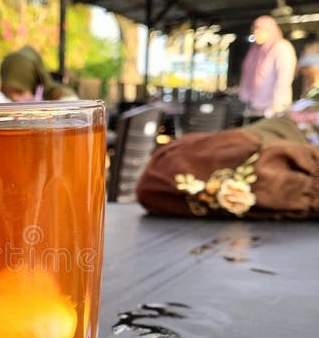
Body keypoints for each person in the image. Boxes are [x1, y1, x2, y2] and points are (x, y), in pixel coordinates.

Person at [134, 39, 319, 220]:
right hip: (260, 140)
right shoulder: (305, 105)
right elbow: (157, 180)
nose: (309, 78)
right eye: (308, 74)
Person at [238, 15, 297, 118]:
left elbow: (284, 77)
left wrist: (277, 104)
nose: (256, 33)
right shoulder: (255, 51)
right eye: (254, 30)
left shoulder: (282, 47)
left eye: (260, 30)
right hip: (255, 107)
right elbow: (246, 77)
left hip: (275, 108)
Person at [0, 46, 77, 102]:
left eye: (19, 92)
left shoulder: (60, 96)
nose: (13, 98)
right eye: (6, 93)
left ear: (34, 86)